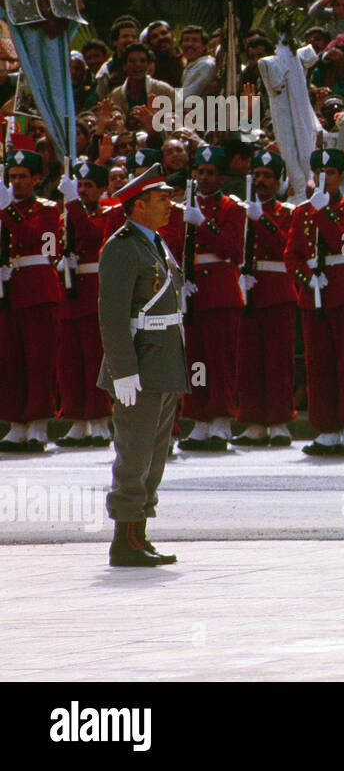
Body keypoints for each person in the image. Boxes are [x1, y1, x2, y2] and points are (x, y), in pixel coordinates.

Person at [96, 163, 188, 567]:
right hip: (138, 365)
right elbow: (113, 315)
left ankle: (140, 533)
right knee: (134, 452)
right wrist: (123, 371)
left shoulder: (156, 242)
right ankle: (125, 539)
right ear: (138, 206)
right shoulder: (122, 246)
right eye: (161, 198)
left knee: (155, 452)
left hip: (164, 361)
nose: (170, 204)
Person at [284, 149, 344, 455]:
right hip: (315, 293)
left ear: (340, 177)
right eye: (319, 173)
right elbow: (292, 254)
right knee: (319, 364)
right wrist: (306, 277)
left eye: (331, 173)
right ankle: (326, 427)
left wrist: (324, 213)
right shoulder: (302, 212)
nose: (324, 179)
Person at [175, 146, 245, 451]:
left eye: (211, 173)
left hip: (219, 291)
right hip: (192, 293)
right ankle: (200, 418)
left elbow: (232, 249)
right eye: (200, 172)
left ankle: (221, 420)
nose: (204, 178)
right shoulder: (180, 210)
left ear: (221, 177)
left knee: (220, 360)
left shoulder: (232, 208)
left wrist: (202, 223)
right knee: (196, 362)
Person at [231, 150, 296, 447]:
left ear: (279, 181)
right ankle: (254, 420)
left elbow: (286, 246)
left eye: (268, 176)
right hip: (247, 288)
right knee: (249, 361)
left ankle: (279, 420)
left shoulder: (287, 213)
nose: (261, 181)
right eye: (256, 175)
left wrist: (263, 222)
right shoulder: (241, 211)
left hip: (277, 291)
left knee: (277, 360)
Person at [0, 147, 63, 452]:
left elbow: (35, 239)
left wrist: (7, 210)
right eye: (11, 177)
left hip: (38, 290)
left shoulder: (47, 209)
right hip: (8, 290)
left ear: (36, 179)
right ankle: (16, 421)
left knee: (39, 360)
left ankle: (38, 423)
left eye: (23, 177)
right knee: (10, 359)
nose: (16, 183)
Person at [55, 161, 114, 448]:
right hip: (70, 293)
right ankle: (77, 420)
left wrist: (73, 204)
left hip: (94, 294)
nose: (82, 191)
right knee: (70, 362)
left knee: (94, 360)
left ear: (101, 189)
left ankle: (100, 420)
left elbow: (93, 233)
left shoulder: (109, 213)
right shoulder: (67, 214)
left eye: (88, 186)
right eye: (79, 186)